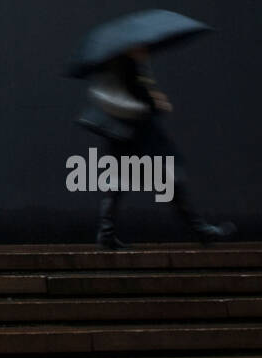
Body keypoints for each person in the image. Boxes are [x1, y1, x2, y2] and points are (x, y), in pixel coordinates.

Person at [80, 46, 236, 249]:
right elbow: (119, 101)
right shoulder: (121, 67)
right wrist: (151, 104)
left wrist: (152, 100)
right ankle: (201, 231)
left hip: (132, 136)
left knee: (126, 184)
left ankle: (107, 234)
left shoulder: (132, 66)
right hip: (132, 137)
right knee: (165, 181)